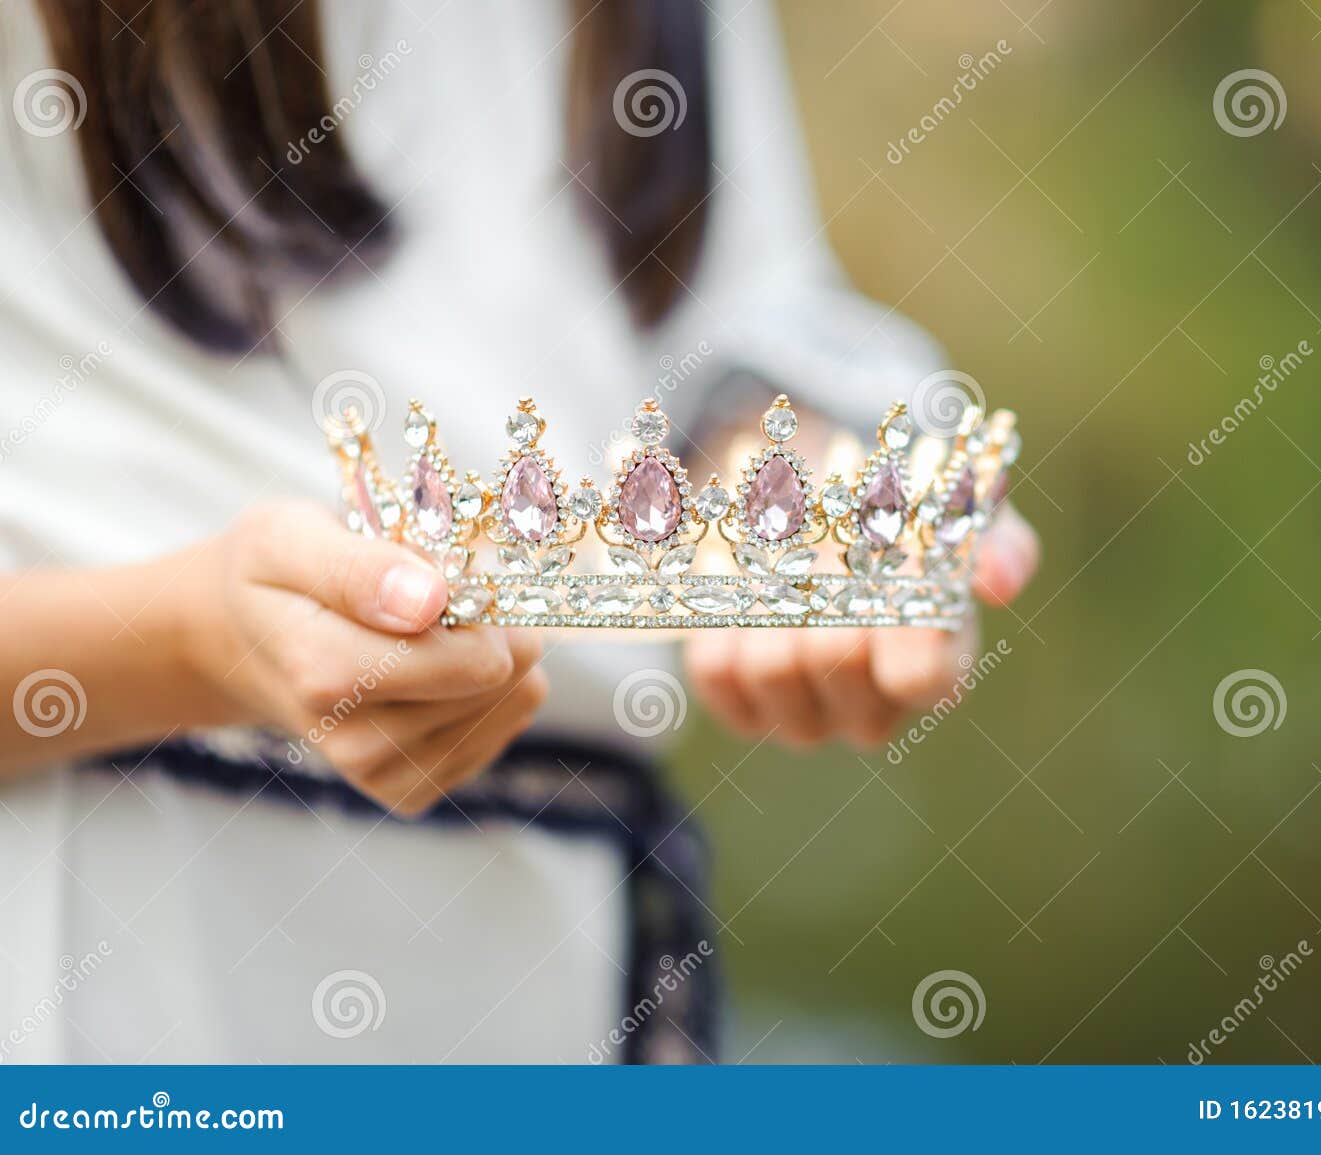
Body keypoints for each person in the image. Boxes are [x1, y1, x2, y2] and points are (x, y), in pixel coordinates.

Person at [0, 0, 1038, 1063]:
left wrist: (800, 473)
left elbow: (728, 311)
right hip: (98, 944)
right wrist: (186, 639)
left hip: (545, 967)